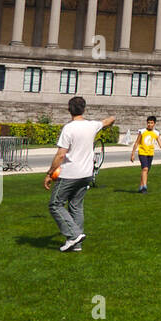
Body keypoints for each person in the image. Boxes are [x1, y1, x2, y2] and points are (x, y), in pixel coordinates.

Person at [44, 97, 114, 252]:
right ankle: (77, 244)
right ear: (84, 109)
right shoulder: (92, 125)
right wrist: (113, 120)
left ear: (69, 109)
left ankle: (74, 235)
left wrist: (49, 173)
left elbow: (61, 155)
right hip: (86, 174)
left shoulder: (69, 129)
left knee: (55, 204)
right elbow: (108, 121)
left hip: (70, 173)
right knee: (76, 206)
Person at [130, 115, 161, 193]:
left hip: (150, 154)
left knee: (146, 171)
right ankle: (144, 187)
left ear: (154, 124)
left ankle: (141, 186)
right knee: (145, 169)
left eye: (151, 123)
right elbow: (137, 143)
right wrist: (133, 154)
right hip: (142, 153)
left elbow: (160, 143)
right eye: (148, 123)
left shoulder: (156, 133)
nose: (149, 124)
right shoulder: (142, 131)